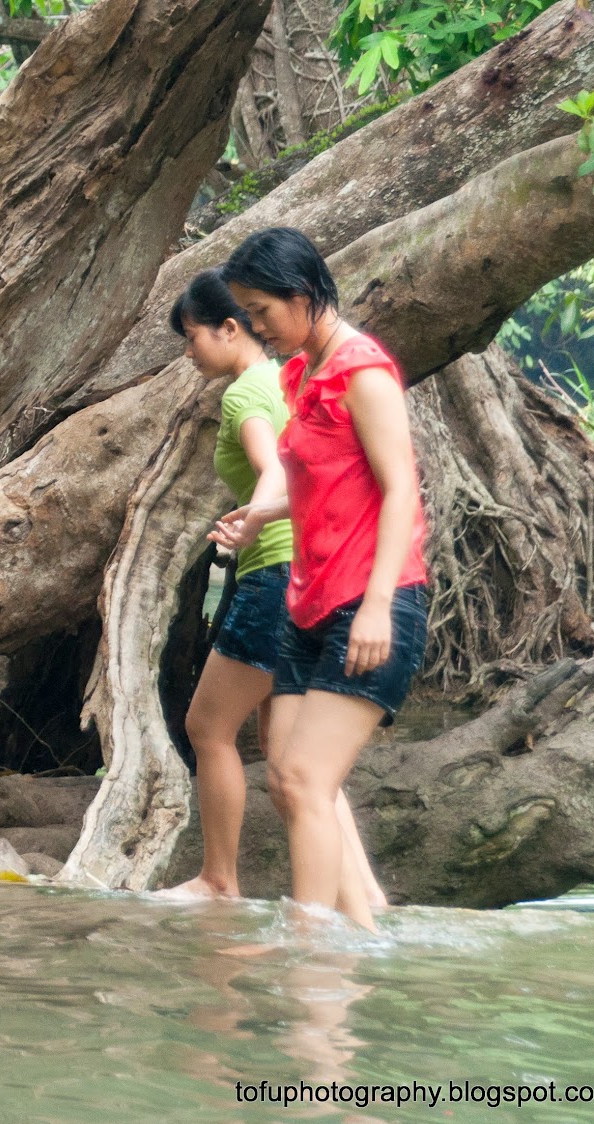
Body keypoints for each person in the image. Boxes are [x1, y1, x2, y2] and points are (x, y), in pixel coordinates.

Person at [213, 227, 429, 931]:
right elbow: (315, 480)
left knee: (306, 779)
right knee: (287, 776)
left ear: (303, 296)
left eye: (262, 311)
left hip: (372, 602)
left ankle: (311, 942)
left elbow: (400, 489)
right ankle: (357, 933)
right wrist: (258, 512)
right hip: (310, 603)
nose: (256, 327)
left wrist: (373, 607)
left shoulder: (362, 370)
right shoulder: (300, 375)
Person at [156, 270, 385, 908]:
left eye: (192, 337)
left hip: (275, 575)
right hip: (308, 572)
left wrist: (250, 522)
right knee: (296, 755)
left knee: (207, 724)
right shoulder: (286, 382)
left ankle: (219, 880)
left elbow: (274, 468)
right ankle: (361, 899)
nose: (189, 353)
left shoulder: (245, 394)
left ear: (230, 329)